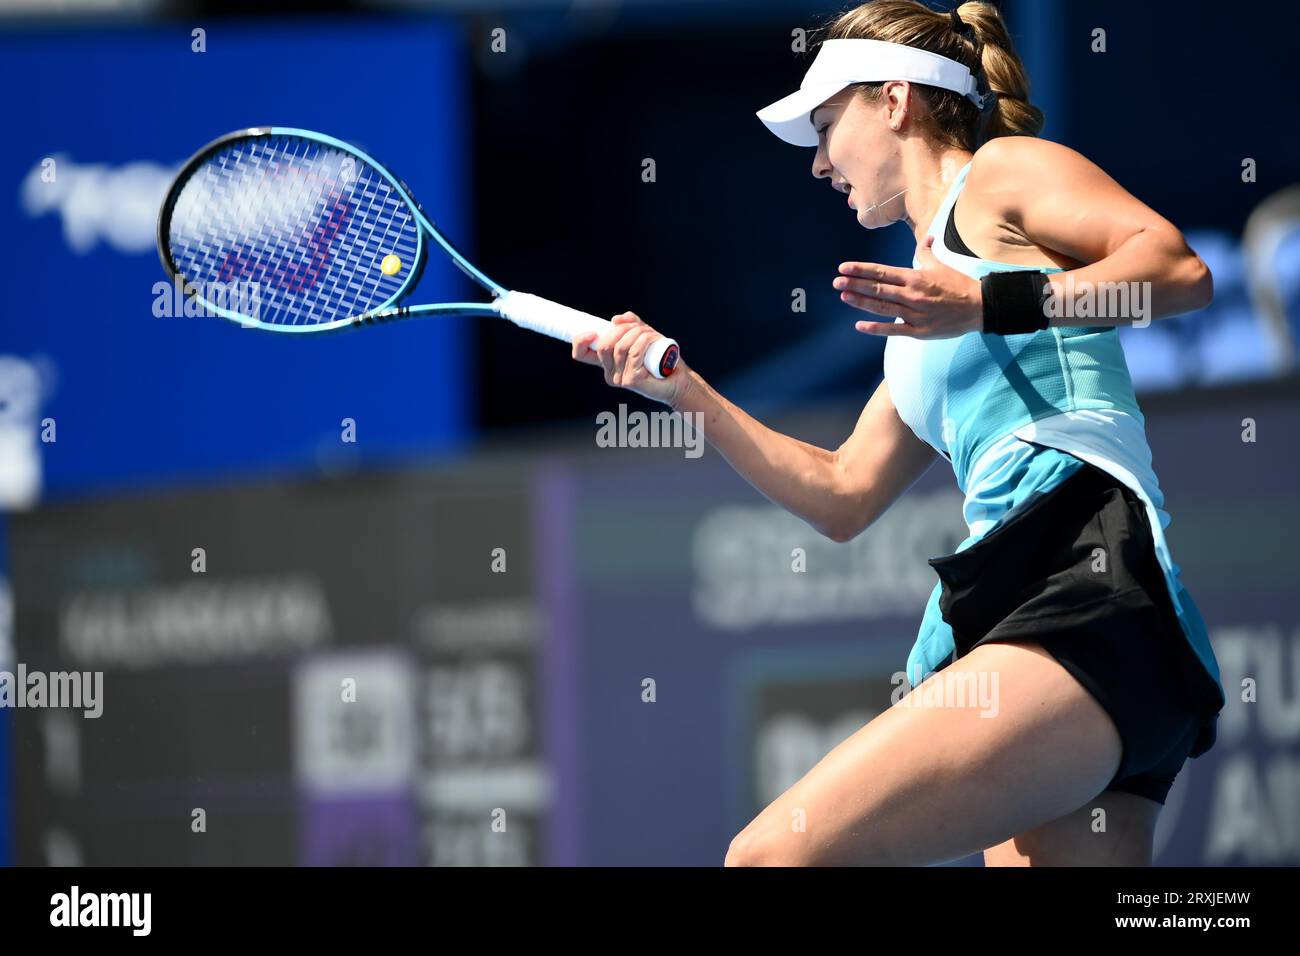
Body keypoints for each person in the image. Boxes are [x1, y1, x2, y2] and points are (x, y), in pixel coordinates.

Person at [570, 0, 1226, 866]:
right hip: (1069, 636)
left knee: (768, 858)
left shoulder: (1002, 174)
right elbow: (841, 495)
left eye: (825, 125)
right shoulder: (918, 316)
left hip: (1086, 591)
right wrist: (683, 387)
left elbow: (1178, 273)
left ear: (894, 100)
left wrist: (991, 302)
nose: (816, 163)